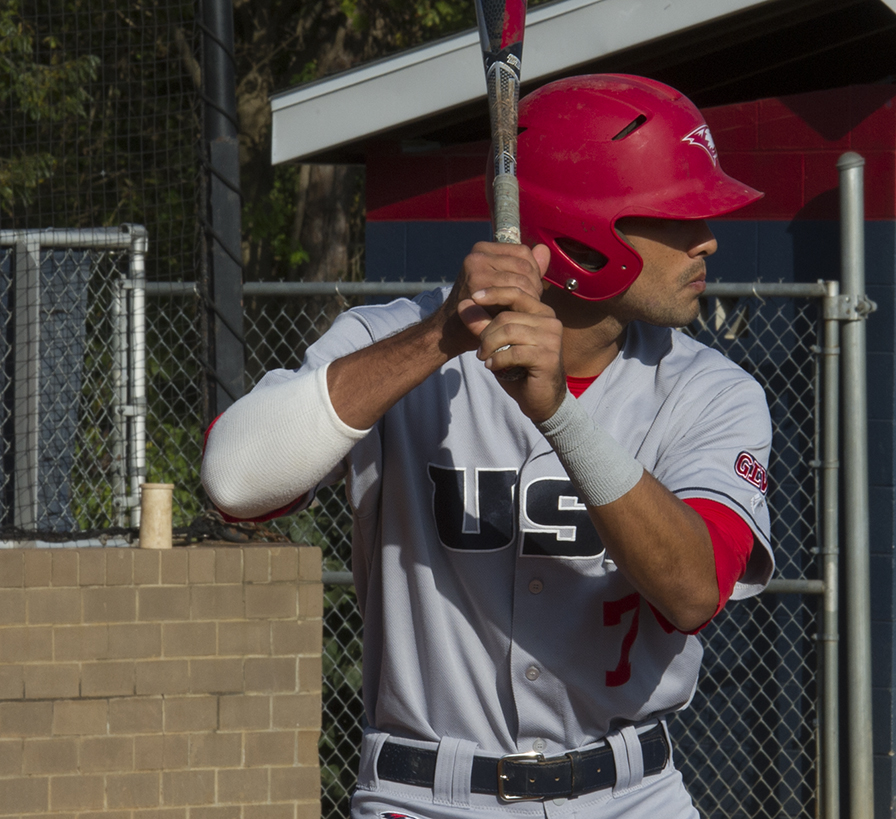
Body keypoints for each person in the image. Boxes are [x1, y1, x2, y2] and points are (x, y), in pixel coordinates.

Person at [202, 73, 774, 818]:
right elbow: (234, 480)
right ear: (582, 230)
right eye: (677, 215)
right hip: (425, 793)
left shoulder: (710, 388)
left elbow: (695, 590)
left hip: (630, 793)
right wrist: (442, 336)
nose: (707, 238)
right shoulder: (395, 339)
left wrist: (562, 418)